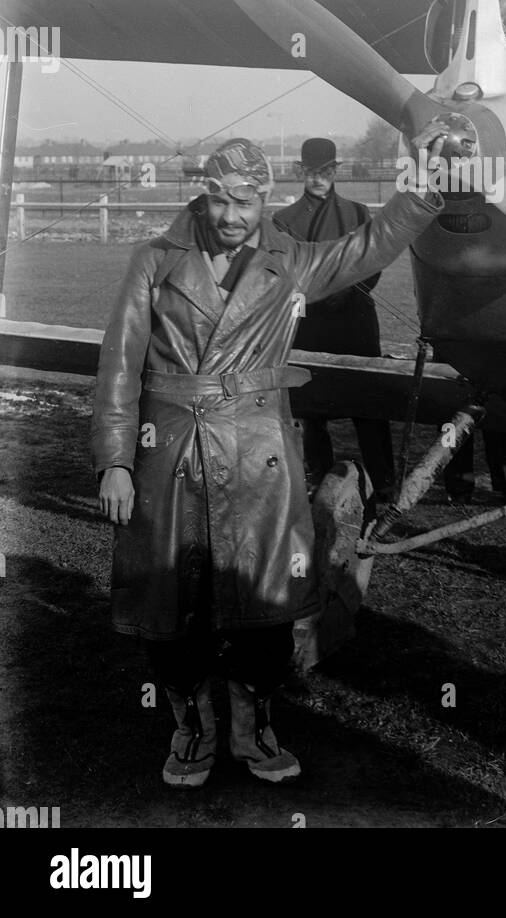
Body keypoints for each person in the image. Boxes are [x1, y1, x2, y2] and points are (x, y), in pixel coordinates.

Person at [92, 132, 444, 789]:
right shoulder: (153, 261)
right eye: (220, 199)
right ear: (205, 194)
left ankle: (255, 733)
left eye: (245, 202)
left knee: (266, 604)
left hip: (259, 456)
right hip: (168, 456)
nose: (230, 216)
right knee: (171, 604)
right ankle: (191, 732)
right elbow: (120, 365)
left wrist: (422, 186)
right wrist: (114, 458)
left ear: (265, 200)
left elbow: (369, 245)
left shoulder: (295, 263)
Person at [273, 137, 394, 499]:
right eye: (311, 172)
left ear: (335, 171)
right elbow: (286, 272)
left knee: (369, 402)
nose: (317, 179)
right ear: (301, 172)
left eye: (324, 171)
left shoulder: (357, 213)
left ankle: (384, 481)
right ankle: (318, 473)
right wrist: (316, 297)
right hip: (310, 323)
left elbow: (372, 261)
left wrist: (345, 292)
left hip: (354, 320)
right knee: (311, 407)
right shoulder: (284, 220)